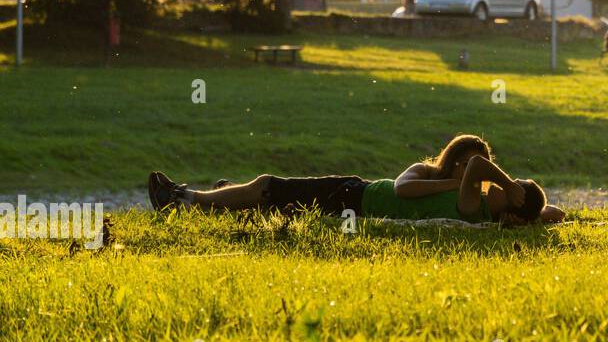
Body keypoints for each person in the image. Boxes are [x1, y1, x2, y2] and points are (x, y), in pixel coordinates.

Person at [146, 134, 565, 226]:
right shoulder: (443, 182)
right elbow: (402, 188)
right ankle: (217, 197)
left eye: (500, 189)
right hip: (354, 188)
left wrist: (522, 201)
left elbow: (546, 212)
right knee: (265, 192)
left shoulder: (473, 209)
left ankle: (184, 199)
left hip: (354, 201)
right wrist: (531, 207)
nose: (486, 182)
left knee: (266, 187)